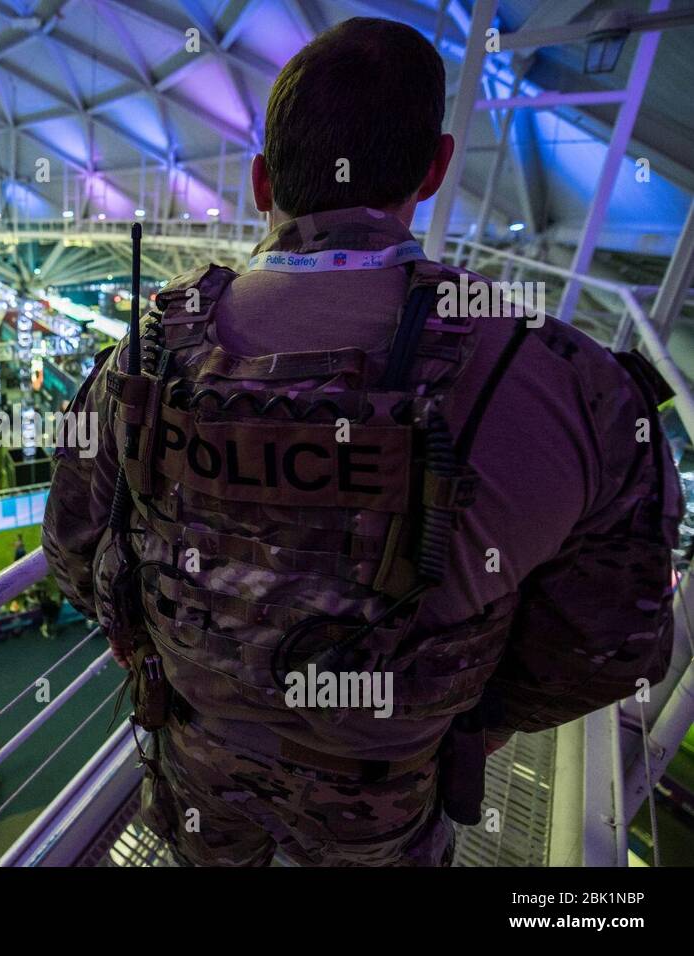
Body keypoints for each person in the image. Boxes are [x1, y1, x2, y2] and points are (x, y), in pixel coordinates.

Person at [40, 17, 680, 869]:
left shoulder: (151, 350)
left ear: (265, 178)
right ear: (435, 167)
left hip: (194, 773)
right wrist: (473, 713)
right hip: (385, 798)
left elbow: (74, 547)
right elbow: (612, 641)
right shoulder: (565, 379)